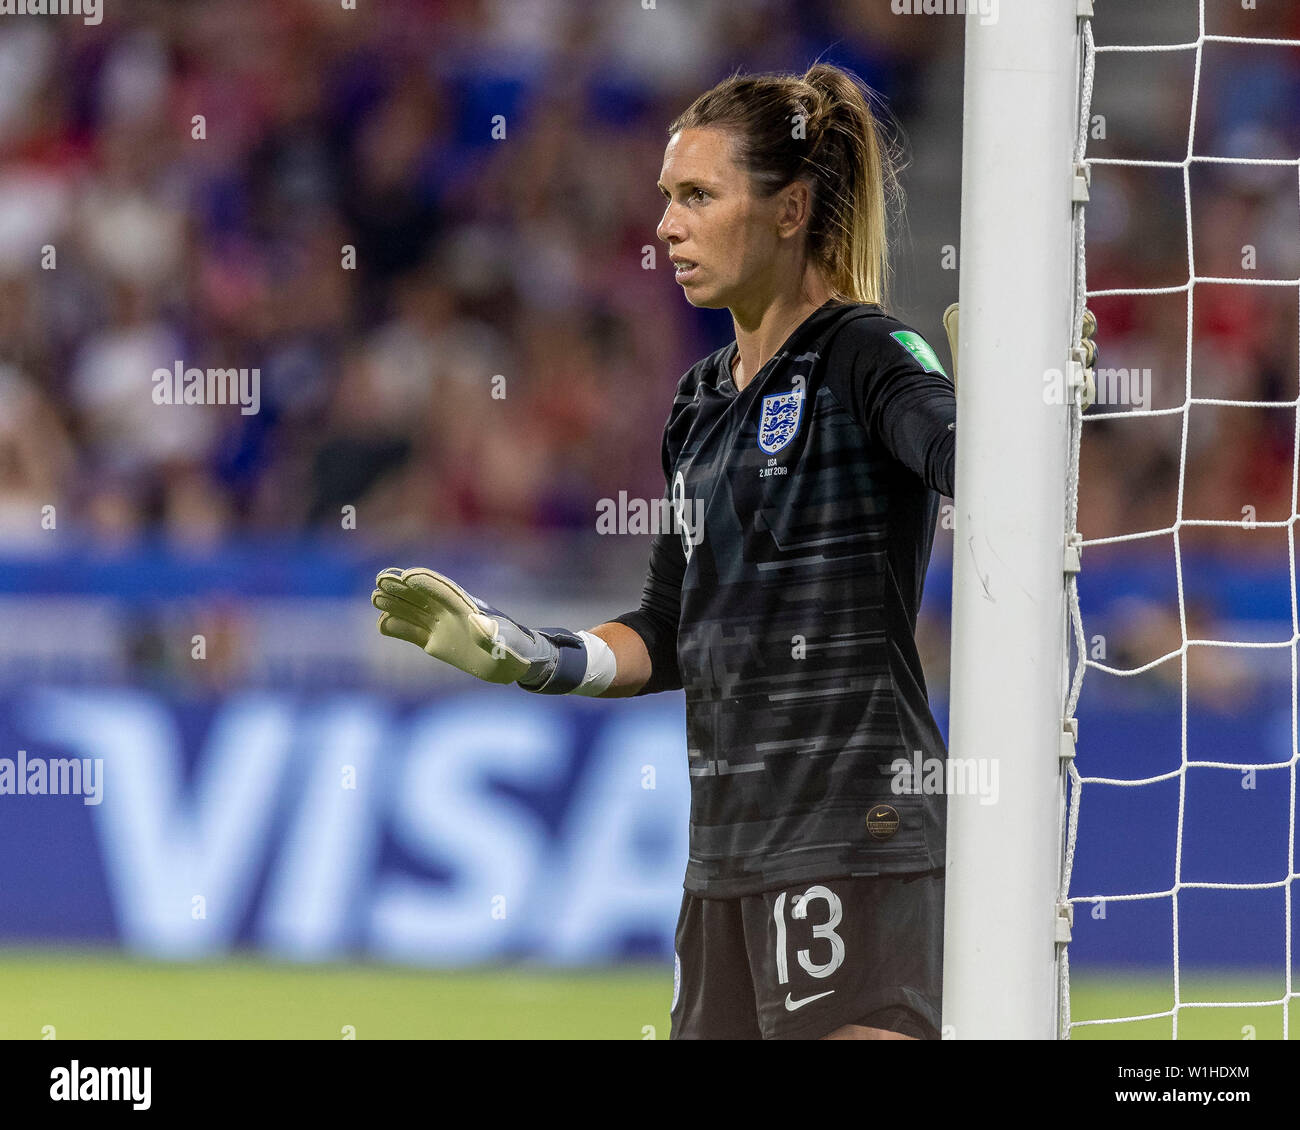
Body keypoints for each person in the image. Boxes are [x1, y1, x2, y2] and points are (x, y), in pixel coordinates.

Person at [371, 62, 956, 1040]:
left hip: (858, 839)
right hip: (724, 859)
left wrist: (1024, 401)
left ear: (788, 209)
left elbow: (959, 455)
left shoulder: (869, 354)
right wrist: (534, 654)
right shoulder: (697, 401)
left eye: (697, 195)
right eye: (665, 198)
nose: (666, 225)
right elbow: (673, 628)